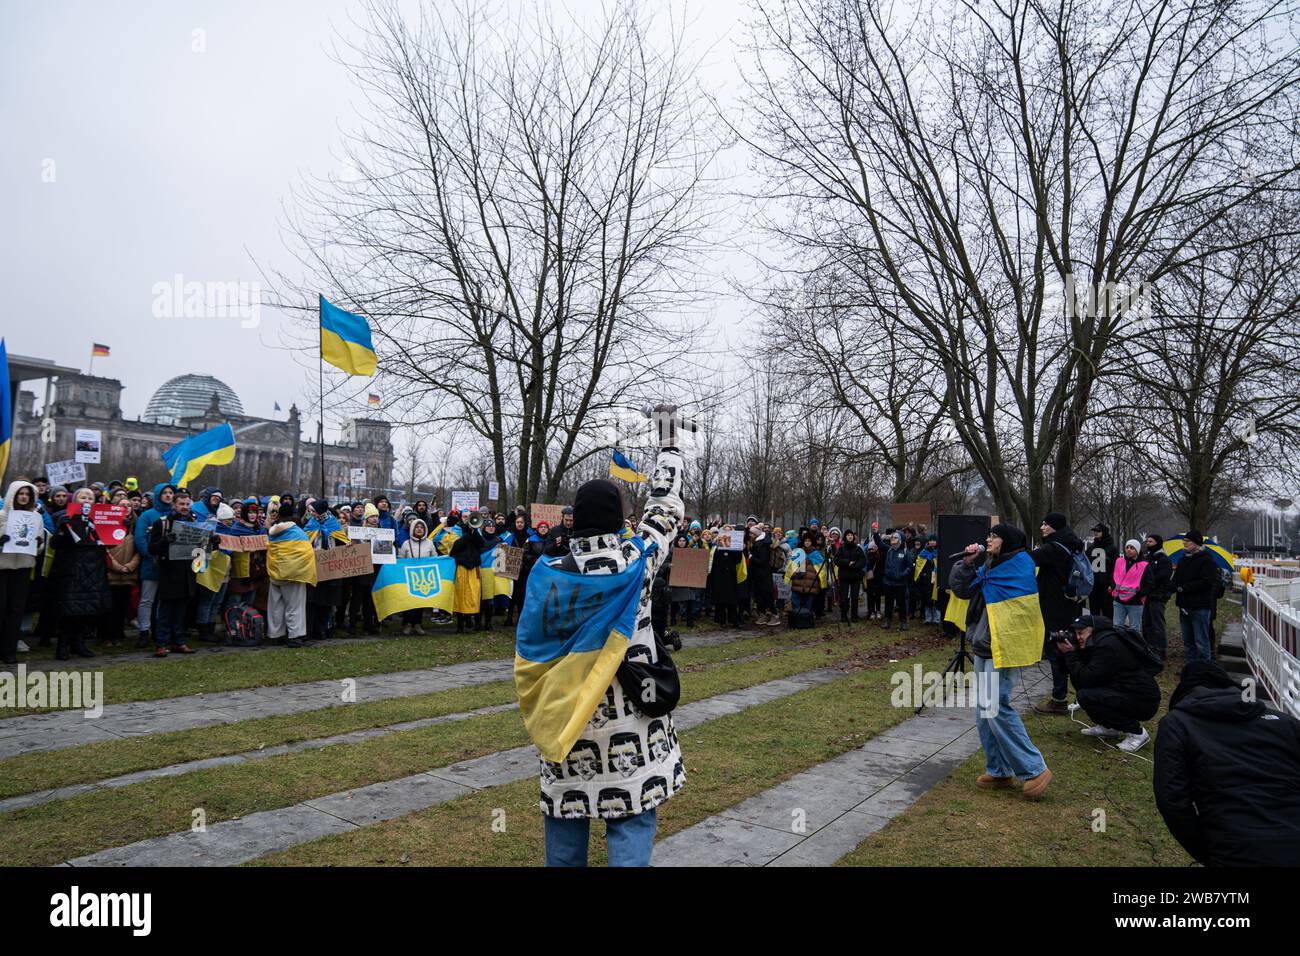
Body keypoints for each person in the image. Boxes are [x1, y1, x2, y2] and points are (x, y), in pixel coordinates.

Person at [518, 406, 686, 867]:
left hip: (567, 717)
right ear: (618, 519)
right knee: (630, 819)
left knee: (566, 820)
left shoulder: (547, 574)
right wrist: (669, 440)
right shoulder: (639, 558)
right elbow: (666, 504)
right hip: (629, 719)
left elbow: (530, 648)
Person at [1154, 661, 1300, 866]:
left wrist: (1208, 851)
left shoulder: (1177, 724)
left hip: (1236, 848)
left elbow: (1172, 802)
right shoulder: (1284, 722)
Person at [948, 523, 1052, 799]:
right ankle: (999, 769)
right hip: (984, 643)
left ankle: (1034, 768)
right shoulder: (990, 567)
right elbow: (963, 589)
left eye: (993, 536)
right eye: (989, 535)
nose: (988, 539)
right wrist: (967, 562)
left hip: (1002, 646)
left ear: (1007, 541)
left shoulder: (1018, 566)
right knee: (983, 710)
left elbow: (1018, 613)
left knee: (996, 706)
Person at [1053, 613, 1160, 752]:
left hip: (1142, 699)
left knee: (1086, 696)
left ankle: (1137, 733)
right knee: (1085, 693)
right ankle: (1109, 728)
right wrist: (1064, 653)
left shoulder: (1107, 645)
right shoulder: (1095, 642)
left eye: (1081, 633)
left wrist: (1070, 654)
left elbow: (1087, 679)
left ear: (1093, 629)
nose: (1078, 637)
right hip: (1125, 691)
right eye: (1076, 634)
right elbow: (1071, 673)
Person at [1031, 512, 1086, 716]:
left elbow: (1028, 559)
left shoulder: (1053, 548)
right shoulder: (1071, 543)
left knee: (1058, 651)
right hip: (1069, 604)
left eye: (1045, 524)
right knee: (1071, 649)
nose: (1042, 527)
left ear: (1054, 527)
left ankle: (1059, 699)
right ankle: (1083, 696)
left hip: (1055, 607)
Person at [146, 489, 200, 657]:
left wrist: (213, 542)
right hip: (169, 573)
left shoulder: (194, 522)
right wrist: (164, 541)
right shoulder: (162, 523)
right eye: (181, 504)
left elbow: (202, 549)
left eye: (187, 504)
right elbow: (151, 548)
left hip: (188, 572)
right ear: (174, 505)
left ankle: (179, 641)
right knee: (166, 611)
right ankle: (161, 643)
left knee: (181, 611)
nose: (184, 507)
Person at [0, 480, 47, 665]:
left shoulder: (35, 518)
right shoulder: (2, 516)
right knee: (1, 608)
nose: (24, 497)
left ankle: (9, 650)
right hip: (2, 568)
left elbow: (41, 547)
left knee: (16, 610)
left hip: (23, 568)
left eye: (28, 494)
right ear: (13, 494)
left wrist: (38, 543)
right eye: (21, 493)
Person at [133, 482, 175, 648]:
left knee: (164, 600)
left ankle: (161, 630)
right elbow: (140, 539)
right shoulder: (147, 515)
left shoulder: (174, 514)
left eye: (171, 493)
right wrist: (151, 555)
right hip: (152, 563)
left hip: (169, 565)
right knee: (147, 600)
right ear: (158, 495)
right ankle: (144, 631)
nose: (168, 495)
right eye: (165, 493)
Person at [1170, 531, 1218, 663]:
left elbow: (1207, 581)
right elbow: (1177, 579)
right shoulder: (1183, 559)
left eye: (1188, 541)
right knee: (1188, 641)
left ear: (1197, 543)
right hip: (1184, 606)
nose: (1184, 543)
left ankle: (1204, 670)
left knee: (1201, 641)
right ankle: (1191, 668)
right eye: (1184, 540)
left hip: (1200, 607)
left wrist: (1184, 587)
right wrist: (1172, 586)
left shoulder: (1207, 561)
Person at [398, 516, 436, 635]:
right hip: (409, 577)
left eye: (421, 527)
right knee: (409, 602)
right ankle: (408, 624)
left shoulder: (430, 543)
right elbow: (401, 559)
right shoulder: (406, 543)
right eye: (417, 527)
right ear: (412, 529)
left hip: (423, 578)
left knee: (420, 602)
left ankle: (418, 624)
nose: (419, 529)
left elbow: (434, 559)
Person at [1140, 533, 1174, 661]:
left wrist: (1149, 581)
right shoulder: (1146, 557)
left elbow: (1163, 576)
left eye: (1150, 542)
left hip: (1158, 596)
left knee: (1157, 624)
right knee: (1146, 623)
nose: (1147, 544)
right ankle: (1148, 647)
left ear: (1157, 543)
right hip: (1146, 596)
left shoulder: (1163, 559)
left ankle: (1160, 649)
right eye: (1147, 541)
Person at [1109, 540, 1148, 631]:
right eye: (1127, 547)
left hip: (1135, 602)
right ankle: (1119, 645)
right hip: (1119, 601)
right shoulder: (1119, 561)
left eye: (1132, 548)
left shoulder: (1144, 565)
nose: (1129, 550)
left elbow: (1149, 585)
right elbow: (1113, 576)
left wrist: (1138, 596)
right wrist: (1112, 586)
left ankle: (1135, 645)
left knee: (1135, 629)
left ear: (1137, 550)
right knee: (1117, 627)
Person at [881, 531, 914, 630]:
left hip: (900, 583)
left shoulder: (905, 552)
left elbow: (910, 566)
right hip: (888, 582)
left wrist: (902, 575)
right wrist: (875, 533)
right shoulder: (889, 550)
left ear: (900, 540)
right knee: (888, 603)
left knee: (901, 603)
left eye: (895, 537)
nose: (892, 539)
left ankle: (903, 622)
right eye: (892, 537)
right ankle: (887, 620)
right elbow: (880, 544)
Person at [834, 530, 867, 623]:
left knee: (855, 597)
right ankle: (844, 615)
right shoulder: (841, 548)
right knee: (844, 597)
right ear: (845, 537)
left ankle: (854, 615)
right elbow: (836, 560)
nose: (850, 537)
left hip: (855, 576)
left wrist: (855, 564)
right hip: (844, 576)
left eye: (851, 535)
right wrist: (847, 562)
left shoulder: (858, 548)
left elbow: (863, 561)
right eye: (848, 535)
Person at [1087, 523, 1119, 620]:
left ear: (1104, 532)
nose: (1096, 533)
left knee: (1108, 613)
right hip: (1093, 585)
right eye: (1095, 531)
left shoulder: (1112, 548)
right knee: (1094, 612)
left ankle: (1108, 633)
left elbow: (1115, 567)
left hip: (1106, 586)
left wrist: (1112, 583)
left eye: (1098, 531)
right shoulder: (1091, 547)